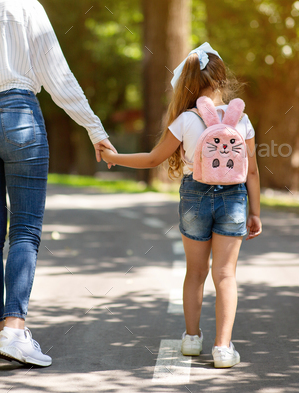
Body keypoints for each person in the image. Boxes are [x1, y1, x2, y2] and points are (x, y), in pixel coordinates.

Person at [0, 0, 116, 367]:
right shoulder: (26, 6)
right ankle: (15, 333)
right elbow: (57, 74)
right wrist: (94, 128)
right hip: (19, 117)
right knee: (24, 231)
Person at [101, 43, 262, 368]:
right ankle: (223, 347)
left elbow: (153, 159)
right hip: (233, 200)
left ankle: (191, 338)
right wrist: (255, 212)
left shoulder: (187, 120)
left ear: (188, 84)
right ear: (221, 80)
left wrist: (114, 157)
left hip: (194, 197)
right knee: (225, 275)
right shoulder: (240, 120)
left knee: (196, 272)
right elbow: (253, 171)